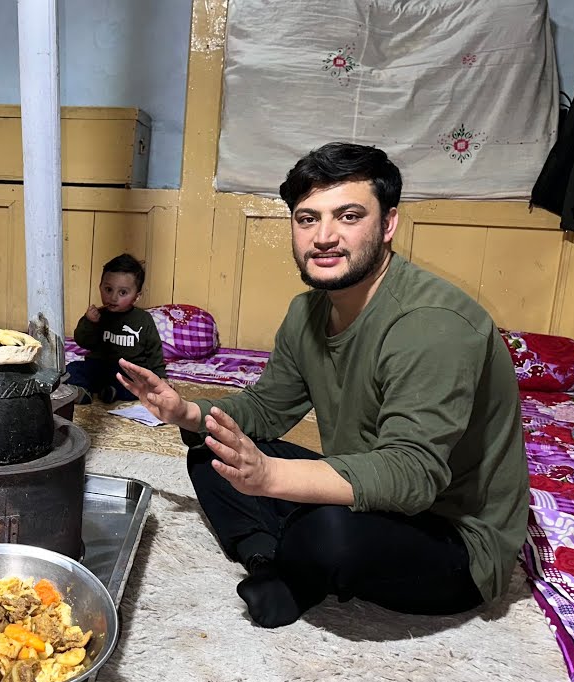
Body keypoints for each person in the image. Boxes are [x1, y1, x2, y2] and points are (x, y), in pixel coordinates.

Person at [118, 142, 529, 628]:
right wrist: (186, 412)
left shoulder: (433, 324)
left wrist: (270, 477)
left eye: (349, 216)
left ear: (388, 224)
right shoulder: (307, 312)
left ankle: (296, 565)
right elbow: (267, 408)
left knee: (327, 530)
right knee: (213, 452)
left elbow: (413, 476)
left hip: (452, 534)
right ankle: (269, 563)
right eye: (308, 218)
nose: (324, 237)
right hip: (364, 487)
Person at [66, 253, 166, 404]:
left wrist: (161, 376)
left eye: (123, 292)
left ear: (136, 296)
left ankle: (111, 391)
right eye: (108, 289)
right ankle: (82, 392)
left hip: (129, 371)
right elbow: (83, 341)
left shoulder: (143, 319)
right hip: (99, 367)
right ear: (100, 287)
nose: (113, 298)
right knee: (72, 369)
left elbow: (154, 351)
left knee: (142, 385)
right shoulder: (97, 316)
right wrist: (89, 322)